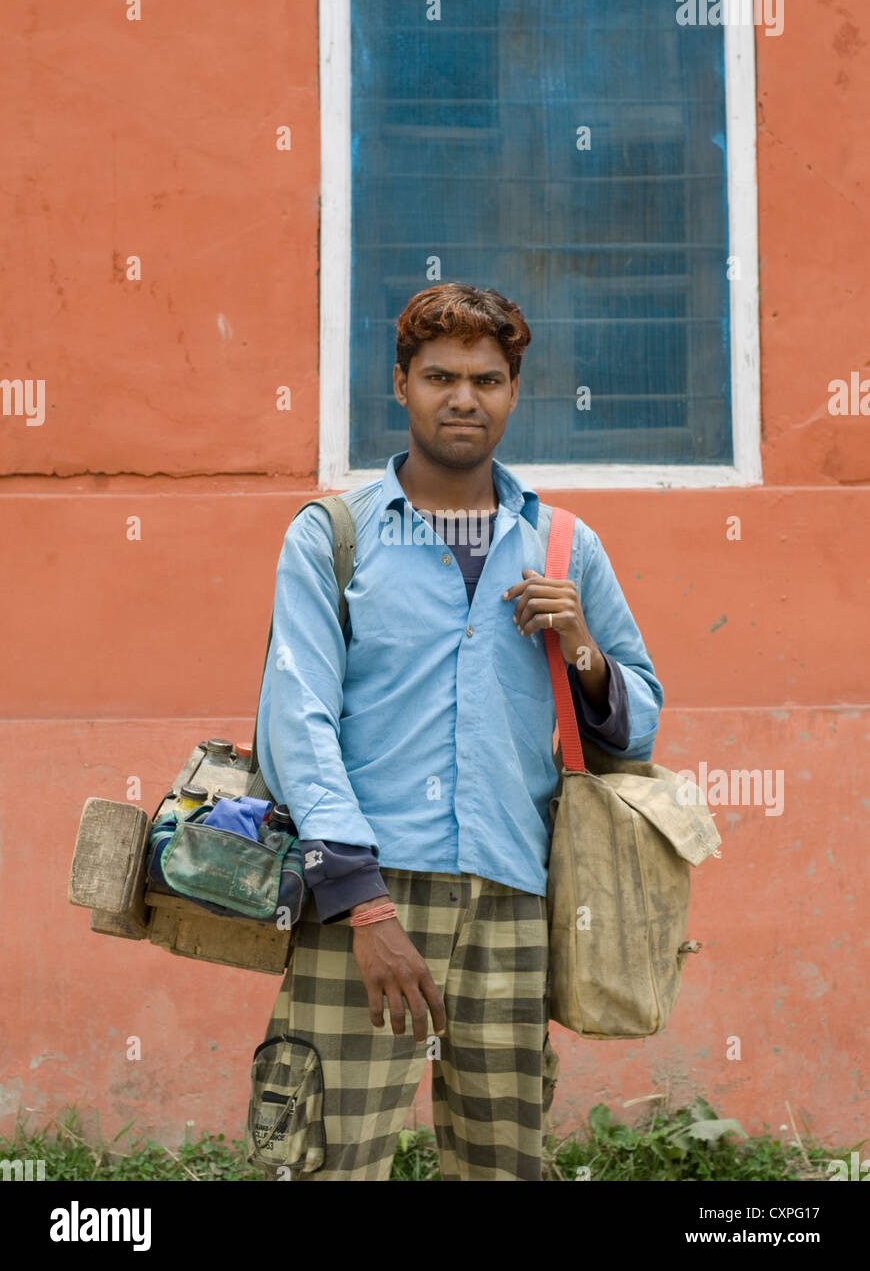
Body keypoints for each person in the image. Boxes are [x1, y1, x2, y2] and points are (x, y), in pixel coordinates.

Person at [251, 282, 663, 1181]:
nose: (463, 398)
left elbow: (638, 729)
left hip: (512, 896)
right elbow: (299, 721)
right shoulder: (335, 536)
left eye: (486, 378)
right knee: (326, 1157)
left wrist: (583, 649)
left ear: (515, 391)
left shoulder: (564, 546)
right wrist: (362, 902)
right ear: (400, 385)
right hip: (364, 893)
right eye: (439, 376)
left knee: (503, 1164)